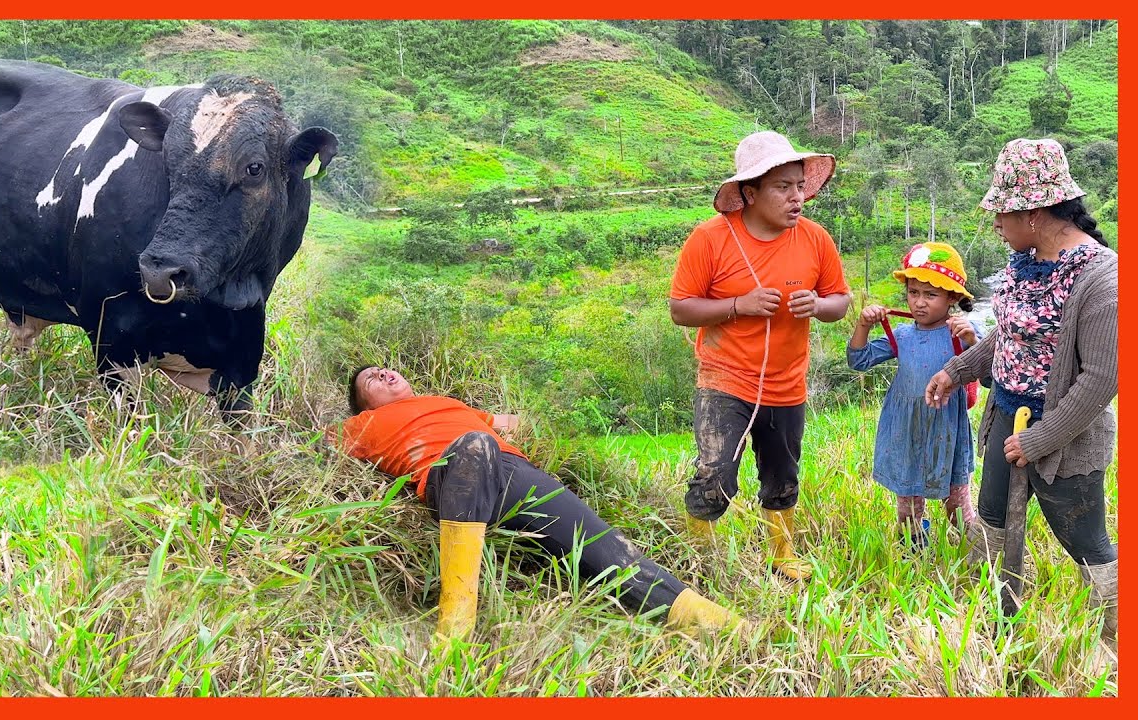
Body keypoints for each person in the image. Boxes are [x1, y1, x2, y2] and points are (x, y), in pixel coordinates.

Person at [332, 364, 749, 640]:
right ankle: (455, 627)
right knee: (475, 446)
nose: (384, 374)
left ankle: (717, 623)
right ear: (364, 404)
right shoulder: (360, 425)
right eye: (371, 380)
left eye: (386, 370)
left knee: (610, 549)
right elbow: (311, 445)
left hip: (514, 473)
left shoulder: (451, 404)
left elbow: (518, 421)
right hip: (450, 477)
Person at [924, 138, 1118, 654]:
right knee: (990, 519)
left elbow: (1102, 377)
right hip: (1006, 417)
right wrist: (957, 368)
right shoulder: (1025, 262)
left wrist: (1041, 440)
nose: (994, 222)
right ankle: (999, 616)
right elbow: (1009, 334)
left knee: (1085, 541)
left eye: (1001, 212)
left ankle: (1114, 640)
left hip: (1064, 438)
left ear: (1032, 213)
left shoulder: (1103, 278)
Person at [668, 131, 851, 582]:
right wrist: (738, 306)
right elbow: (680, 307)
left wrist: (818, 305)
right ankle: (701, 560)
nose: (798, 197)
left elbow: (840, 302)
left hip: (787, 383)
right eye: (783, 187)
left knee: (782, 474)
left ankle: (782, 555)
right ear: (749, 193)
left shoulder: (814, 240)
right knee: (715, 476)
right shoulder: (710, 240)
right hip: (725, 380)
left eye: (800, 185)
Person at [847, 242, 981, 548]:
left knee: (957, 501)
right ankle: (913, 552)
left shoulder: (961, 334)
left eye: (930, 294)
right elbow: (859, 360)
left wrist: (973, 340)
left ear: (952, 298)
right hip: (906, 430)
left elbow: (988, 375)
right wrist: (863, 325)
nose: (919, 302)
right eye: (913, 292)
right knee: (908, 502)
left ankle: (976, 552)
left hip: (948, 429)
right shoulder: (903, 335)